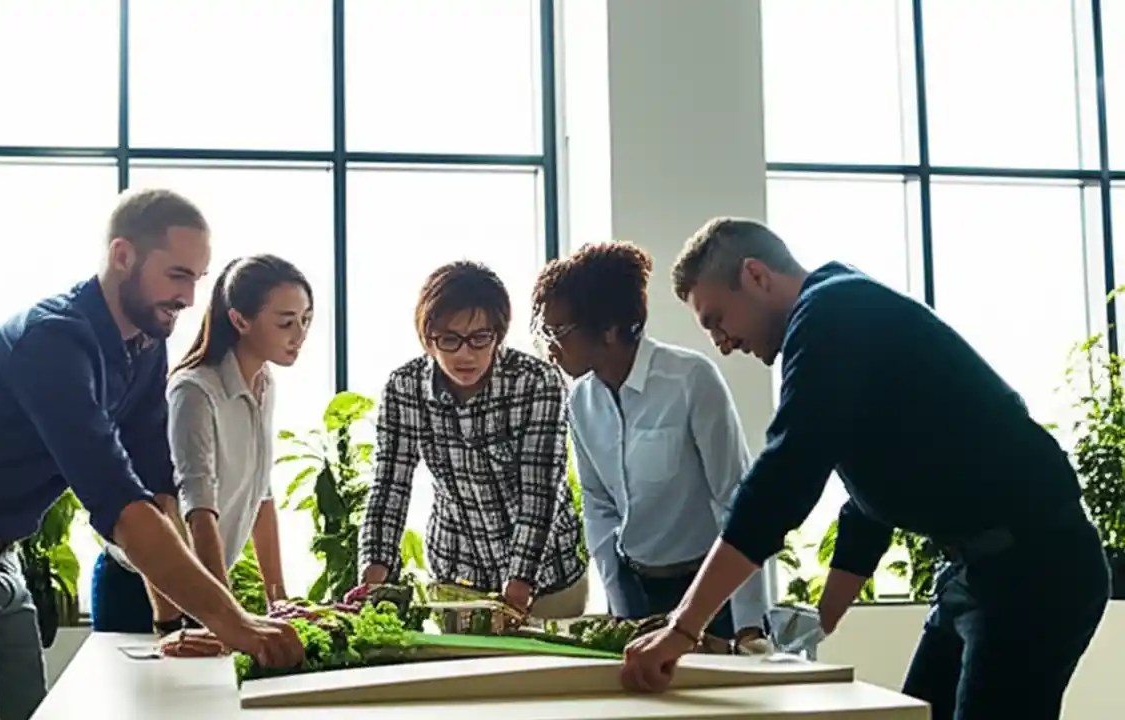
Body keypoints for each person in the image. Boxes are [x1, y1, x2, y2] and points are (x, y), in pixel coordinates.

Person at [618, 217, 1110, 720]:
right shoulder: (842, 315)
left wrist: (684, 627)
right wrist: (818, 625)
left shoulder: (831, 311)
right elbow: (871, 501)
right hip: (974, 572)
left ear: (756, 276)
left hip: (1033, 568)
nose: (723, 342)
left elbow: (785, 475)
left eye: (717, 320)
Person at [0, 189, 304, 720]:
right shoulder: (53, 341)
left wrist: (176, 626)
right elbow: (121, 509)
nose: (187, 298)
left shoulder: (145, 344)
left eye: (197, 281)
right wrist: (236, 624)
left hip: (0, 553)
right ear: (122, 256)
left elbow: (156, 493)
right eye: (177, 275)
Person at [531, 241, 771, 653]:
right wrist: (623, 614)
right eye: (543, 331)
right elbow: (600, 508)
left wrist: (750, 624)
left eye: (559, 332)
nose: (549, 344)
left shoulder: (690, 380)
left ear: (609, 329)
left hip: (712, 592)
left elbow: (733, 499)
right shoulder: (581, 401)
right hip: (638, 590)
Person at [92, 254, 313, 641]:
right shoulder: (195, 389)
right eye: (286, 322)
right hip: (146, 587)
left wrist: (278, 603)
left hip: (205, 587)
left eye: (306, 319)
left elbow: (261, 496)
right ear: (241, 320)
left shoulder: (265, 384)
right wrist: (226, 618)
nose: (300, 334)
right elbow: (198, 509)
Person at [358, 260, 589, 617]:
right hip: (457, 574)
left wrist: (519, 585)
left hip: (546, 579)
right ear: (428, 338)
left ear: (499, 333)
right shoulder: (405, 387)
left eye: (480, 338)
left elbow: (540, 492)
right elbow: (390, 485)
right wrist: (374, 575)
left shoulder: (536, 382)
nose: (465, 354)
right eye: (449, 340)